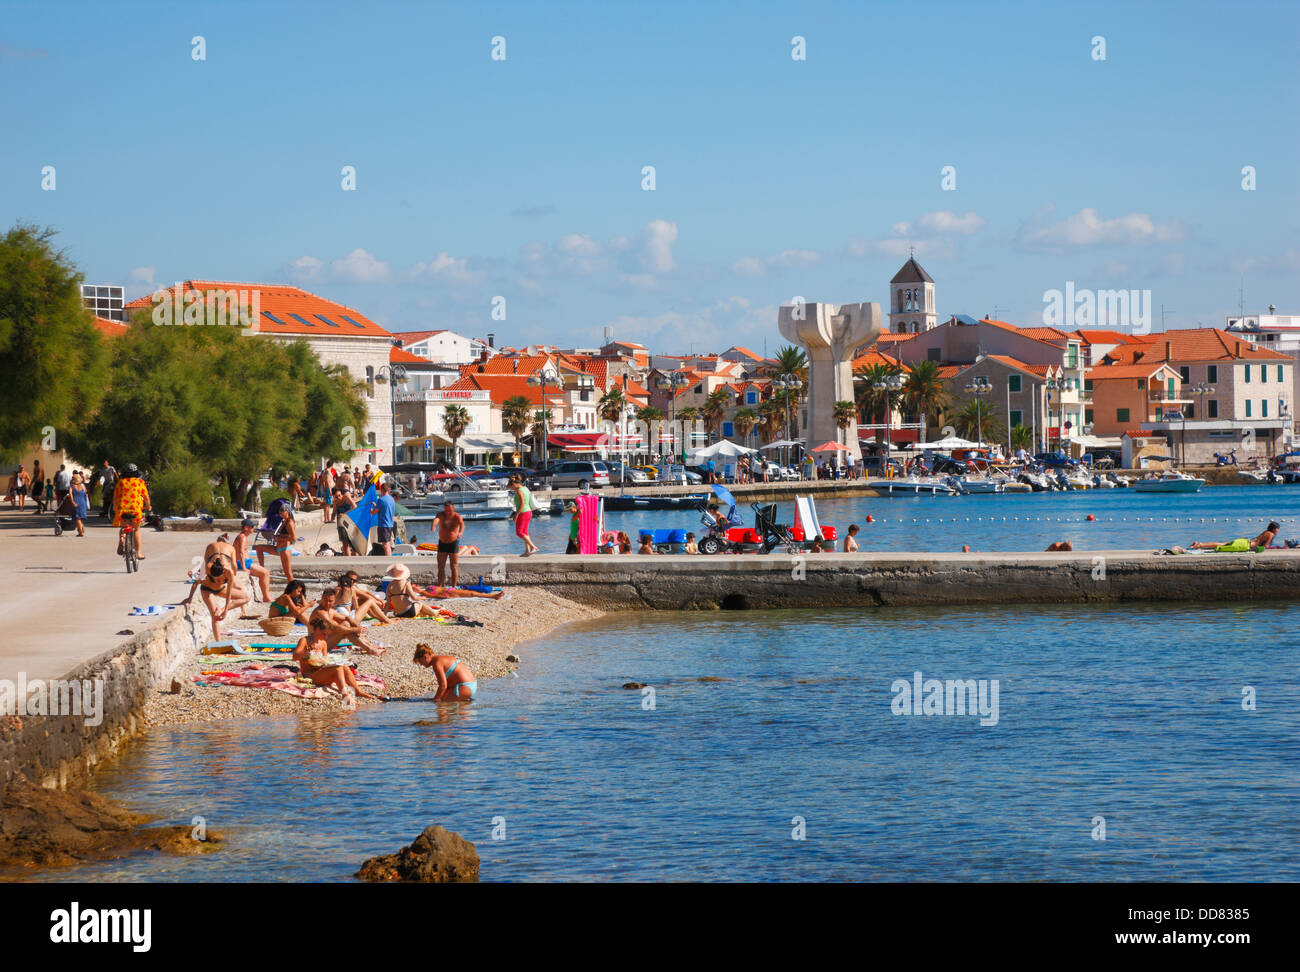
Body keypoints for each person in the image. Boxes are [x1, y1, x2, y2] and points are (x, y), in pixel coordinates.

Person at [181, 538, 252, 639]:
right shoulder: (207, 567)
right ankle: (218, 643)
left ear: (223, 572)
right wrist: (190, 597)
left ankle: (221, 610)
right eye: (213, 577)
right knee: (215, 617)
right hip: (207, 589)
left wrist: (225, 610)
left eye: (220, 578)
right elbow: (197, 581)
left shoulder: (229, 572)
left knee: (245, 597)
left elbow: (229, 593)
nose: (217, 579)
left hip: (221, 589)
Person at [293, 635, 383, 706]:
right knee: (338, 668)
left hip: (319, 672)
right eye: (324, 633)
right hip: (309, 675)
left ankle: (357, 691)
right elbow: (294, 657)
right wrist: (306, 652)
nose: (326, 636)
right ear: (317, 630)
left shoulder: (323, 643)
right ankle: (345, 695)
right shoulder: (304, 641)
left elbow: (324, 660)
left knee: (344, 666)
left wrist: (325, 662)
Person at [308, 587, 385, 654]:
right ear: (321, 599)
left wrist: (356, 626)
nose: (327, 603)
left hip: (324, 641)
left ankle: (369, 646)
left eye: (330, 601)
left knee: (346, 624)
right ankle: (370, 649)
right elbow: (335, 627)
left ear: (334, 601)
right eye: (325, 600)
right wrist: (355, 629)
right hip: (315, 645)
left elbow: (346, 618)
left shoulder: (330, 611)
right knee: (346, 628)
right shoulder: (320, 612)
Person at [112, 464, 151, 560]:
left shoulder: (120, 482)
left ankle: (122, 537)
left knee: (124, 527)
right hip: (135, 509)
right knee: (136, 530)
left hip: (123, 509)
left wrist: (115, 508)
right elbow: (146, 497)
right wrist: (148, 506)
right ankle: (138, 553)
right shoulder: (140, 482)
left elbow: (115, 497)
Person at [413, 643, 477, 701]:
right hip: (472, 684)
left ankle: (463, 698)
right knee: (442, 697)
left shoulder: (437, 663)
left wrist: (435, 700)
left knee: (441, 702)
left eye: (420, 661)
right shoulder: (442, 658)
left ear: (425, 657)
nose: (421, 664)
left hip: (464, 687)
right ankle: (464, 700)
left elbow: (443, 686)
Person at [382, 563, 447, 620]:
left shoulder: (389, 585)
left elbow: (388, 603)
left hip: (399, 613)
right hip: (409, 611)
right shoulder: (406, 583)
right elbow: (414, 598)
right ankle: (436, 614)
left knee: (421, 611)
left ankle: (432, 614)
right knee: (420, 604)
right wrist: (422, 598)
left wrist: (384, 615)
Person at [255, 498, 297, 580]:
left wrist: (279, 538)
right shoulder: (284, 521)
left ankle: (294, 590)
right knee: (258, 548)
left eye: (282, 510)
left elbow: (294, 539)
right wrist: (277, 537)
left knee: (288, 573)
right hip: (279, 548)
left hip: (285, 550)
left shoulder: (290, 522)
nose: (280, 512)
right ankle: (262, 570)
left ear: (287, 511)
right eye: (279, 510)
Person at [232, 517, 272, 603]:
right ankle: (266, 597)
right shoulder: (242, 537)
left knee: (265, 572)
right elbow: (241, 552)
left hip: (246, 562)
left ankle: (266, 596)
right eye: (252, 527)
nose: (253, 528)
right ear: (246, 528)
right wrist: (244, 568)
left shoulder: (243, 536)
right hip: (242, 563)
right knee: (265, 573)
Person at [432, 500, 465, 586]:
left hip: (453, 543)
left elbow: (462, 525)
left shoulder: (457, 516)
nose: (447, 512)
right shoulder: (441, 515)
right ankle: (440, 585)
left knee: (453, 566)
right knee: (440, 566)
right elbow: (436, 520)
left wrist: (460, 532)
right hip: (442, 543)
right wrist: (434, 525)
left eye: (449, 510)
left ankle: (453, 587)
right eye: (446, 510)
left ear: (453, 509)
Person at [1190, 521, 1280, 552]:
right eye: (1277, 529)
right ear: (1274, 529)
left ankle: (1200, 544)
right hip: (1246, 545)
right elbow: (1265, 547)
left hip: (1245, 541)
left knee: (1222, 544)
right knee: (1221, 546)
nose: (1278, 531)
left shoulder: (1265, 532)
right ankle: (1199, 545)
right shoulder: (1271, 534)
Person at [508, 475, 539, 556]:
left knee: (519, 532)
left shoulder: (519, 491)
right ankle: (527, 551)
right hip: (528, 512)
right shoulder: (525, 488)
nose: (512, 489)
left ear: (514, 484)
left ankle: (534, 547)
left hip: (523, 513)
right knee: (525, 532)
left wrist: (516, 515)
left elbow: (522, 504)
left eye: (511, 487)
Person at [371, 479, 397, 556]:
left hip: (383, 524)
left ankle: (389, 561)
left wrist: (371, 511)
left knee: (385, 545)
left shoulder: (381, 500)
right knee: (387, 543)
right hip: (390, 524)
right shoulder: (391, 499)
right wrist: (376, 506)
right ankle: (389, 559)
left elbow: (374, 512)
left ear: (382, 490)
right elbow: (384, 509)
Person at [332, 486, 357, 555]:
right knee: (345, 544)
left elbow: (355, 507)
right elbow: (334, 512)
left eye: (339, 495)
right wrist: (332, 517)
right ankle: (347, 561)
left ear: (341, 494)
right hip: (341, 524)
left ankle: (357, 561)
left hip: (350, 523)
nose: (338, 498)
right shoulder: (335, 502)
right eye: (336, 497)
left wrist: (344, 514)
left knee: (353, 544)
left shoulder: (346, 498)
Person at [69, 472, 90, 537]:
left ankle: (81, 532)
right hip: (82, 502)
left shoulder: (71, 487)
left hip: (76, 502)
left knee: (77, 517)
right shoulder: (83, 486)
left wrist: (73, 502)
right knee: (80, 517)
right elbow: (86, 492)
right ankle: (80, 527)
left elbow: (70, 496)